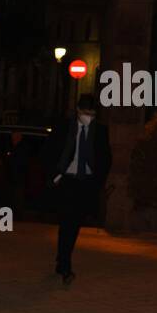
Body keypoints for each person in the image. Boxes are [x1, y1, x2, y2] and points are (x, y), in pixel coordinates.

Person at [48, 93, 112, 285]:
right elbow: (50, 151)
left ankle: (63, 258)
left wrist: (97, 182)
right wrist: (55, 176)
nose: (88, 116)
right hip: (67, 179)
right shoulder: (65, 128)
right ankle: (65, 264)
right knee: (66, 220)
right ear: (77, 110)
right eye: (85, 112)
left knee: (75, 223)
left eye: (92, 113)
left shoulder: (99, 131)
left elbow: (105, 159)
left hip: (86, 182)